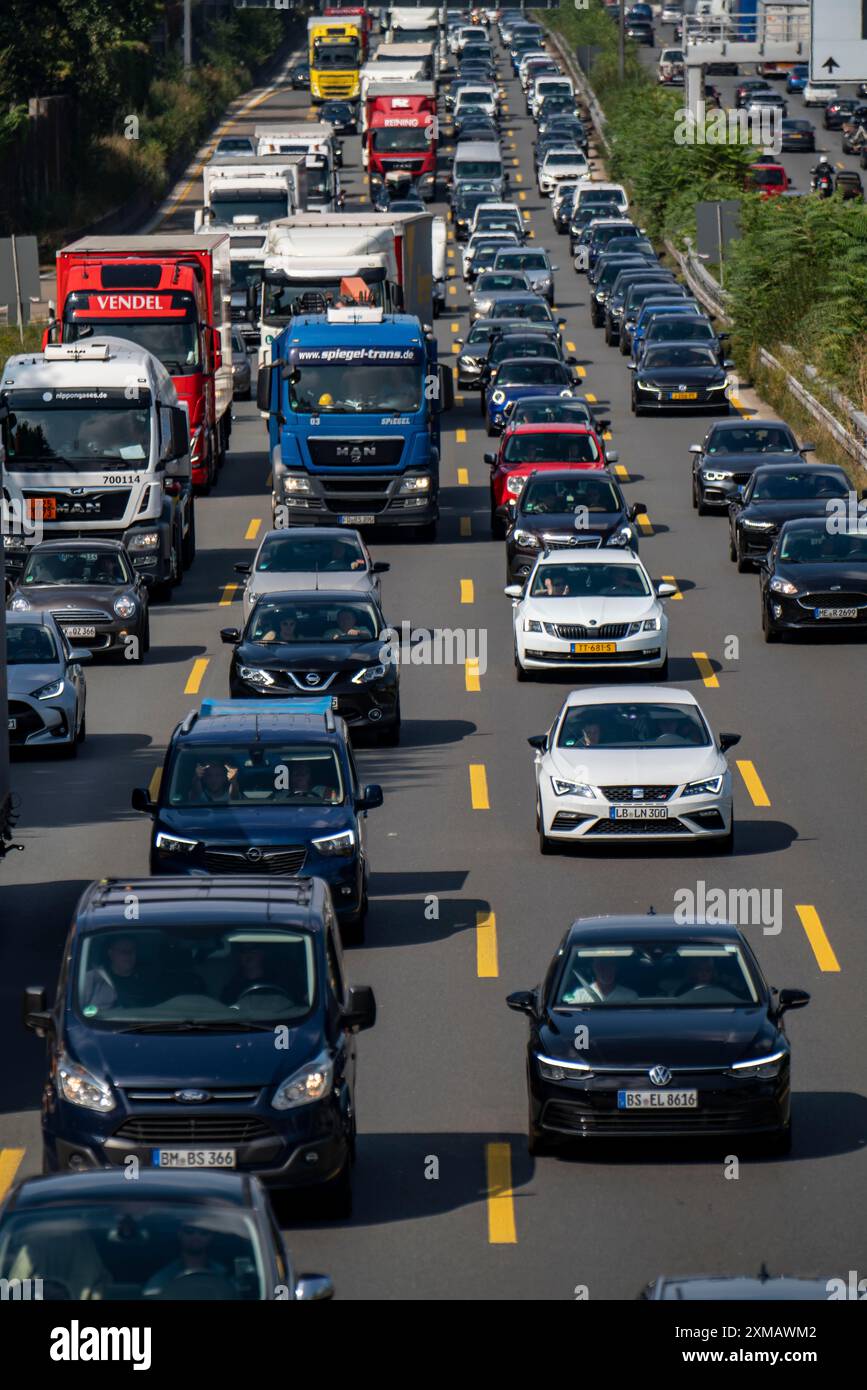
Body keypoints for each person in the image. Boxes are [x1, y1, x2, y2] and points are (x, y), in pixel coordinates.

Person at [142, 1224, 232, 1299]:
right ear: (180, 1234)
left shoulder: (223, 1274)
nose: (196, 1237)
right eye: (189, 1231)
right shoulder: (164, 1277)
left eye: (204, 1233)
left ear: (211, 1237)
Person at [82, 935, 160, 1011]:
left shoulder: (147, 980)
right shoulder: (93, 979)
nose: (129, 955)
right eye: (123, 951)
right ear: (110, 953)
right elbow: (80, 1012)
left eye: (132, 951)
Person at [562, 956, 638, 1005]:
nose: (606, 970)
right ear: (594, 968)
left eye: (610, 964)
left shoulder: (629, 996)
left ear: (615, 968)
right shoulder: (579, 995)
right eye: (601, 966)